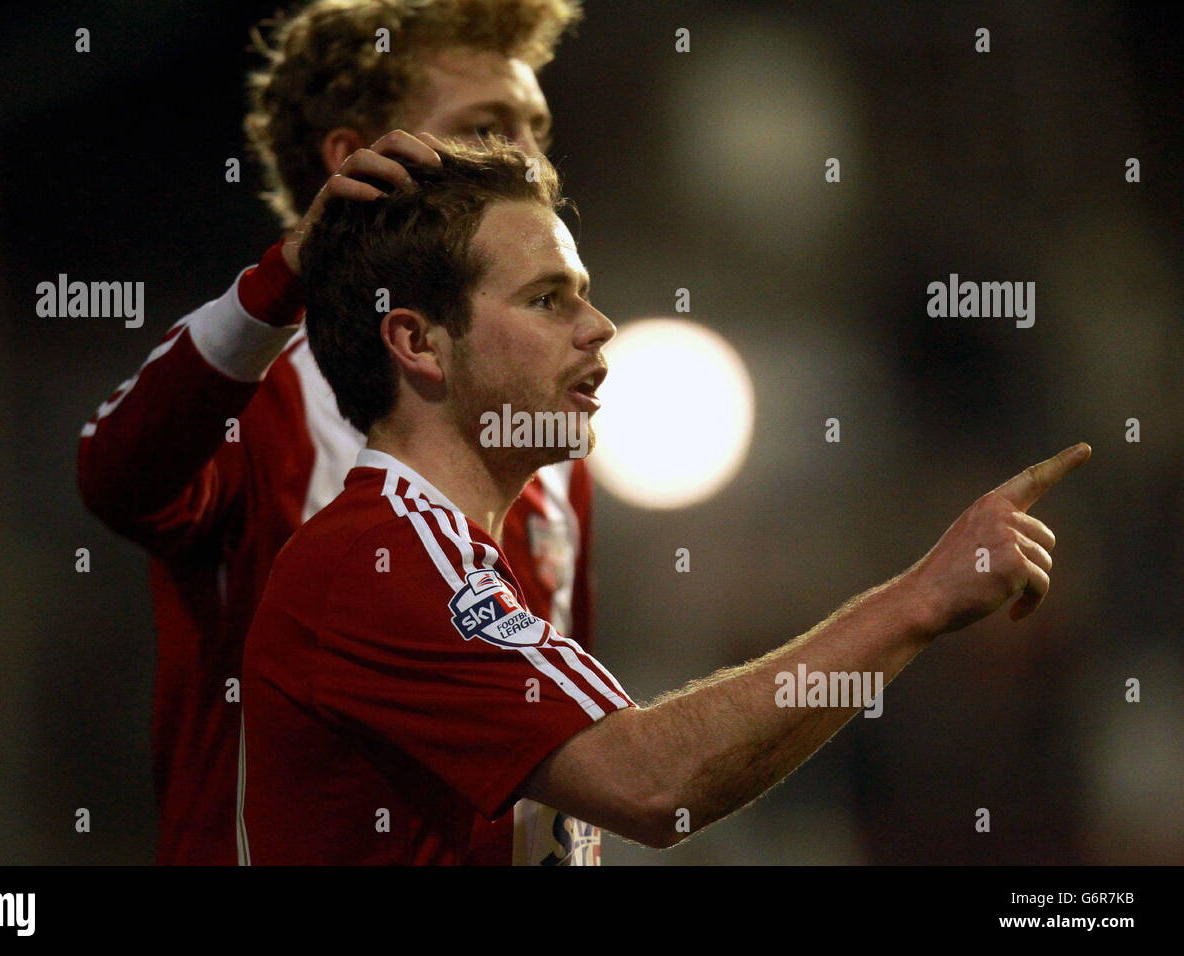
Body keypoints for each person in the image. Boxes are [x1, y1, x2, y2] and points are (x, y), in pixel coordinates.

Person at [239, 139, 1091, 864]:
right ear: (419, 343)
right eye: (547, 298)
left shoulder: (465, 564)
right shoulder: (375, 557)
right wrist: (922, 598)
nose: (599, 325)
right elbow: (649, 783)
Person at [76, 0, 592, 865]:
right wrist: (283, 279)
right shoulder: (250, 403)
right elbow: (114, 478)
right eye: (487, 129)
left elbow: (560, 729)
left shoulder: (541, 429)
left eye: (534, 127)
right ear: (356, 163)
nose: (532, 161)